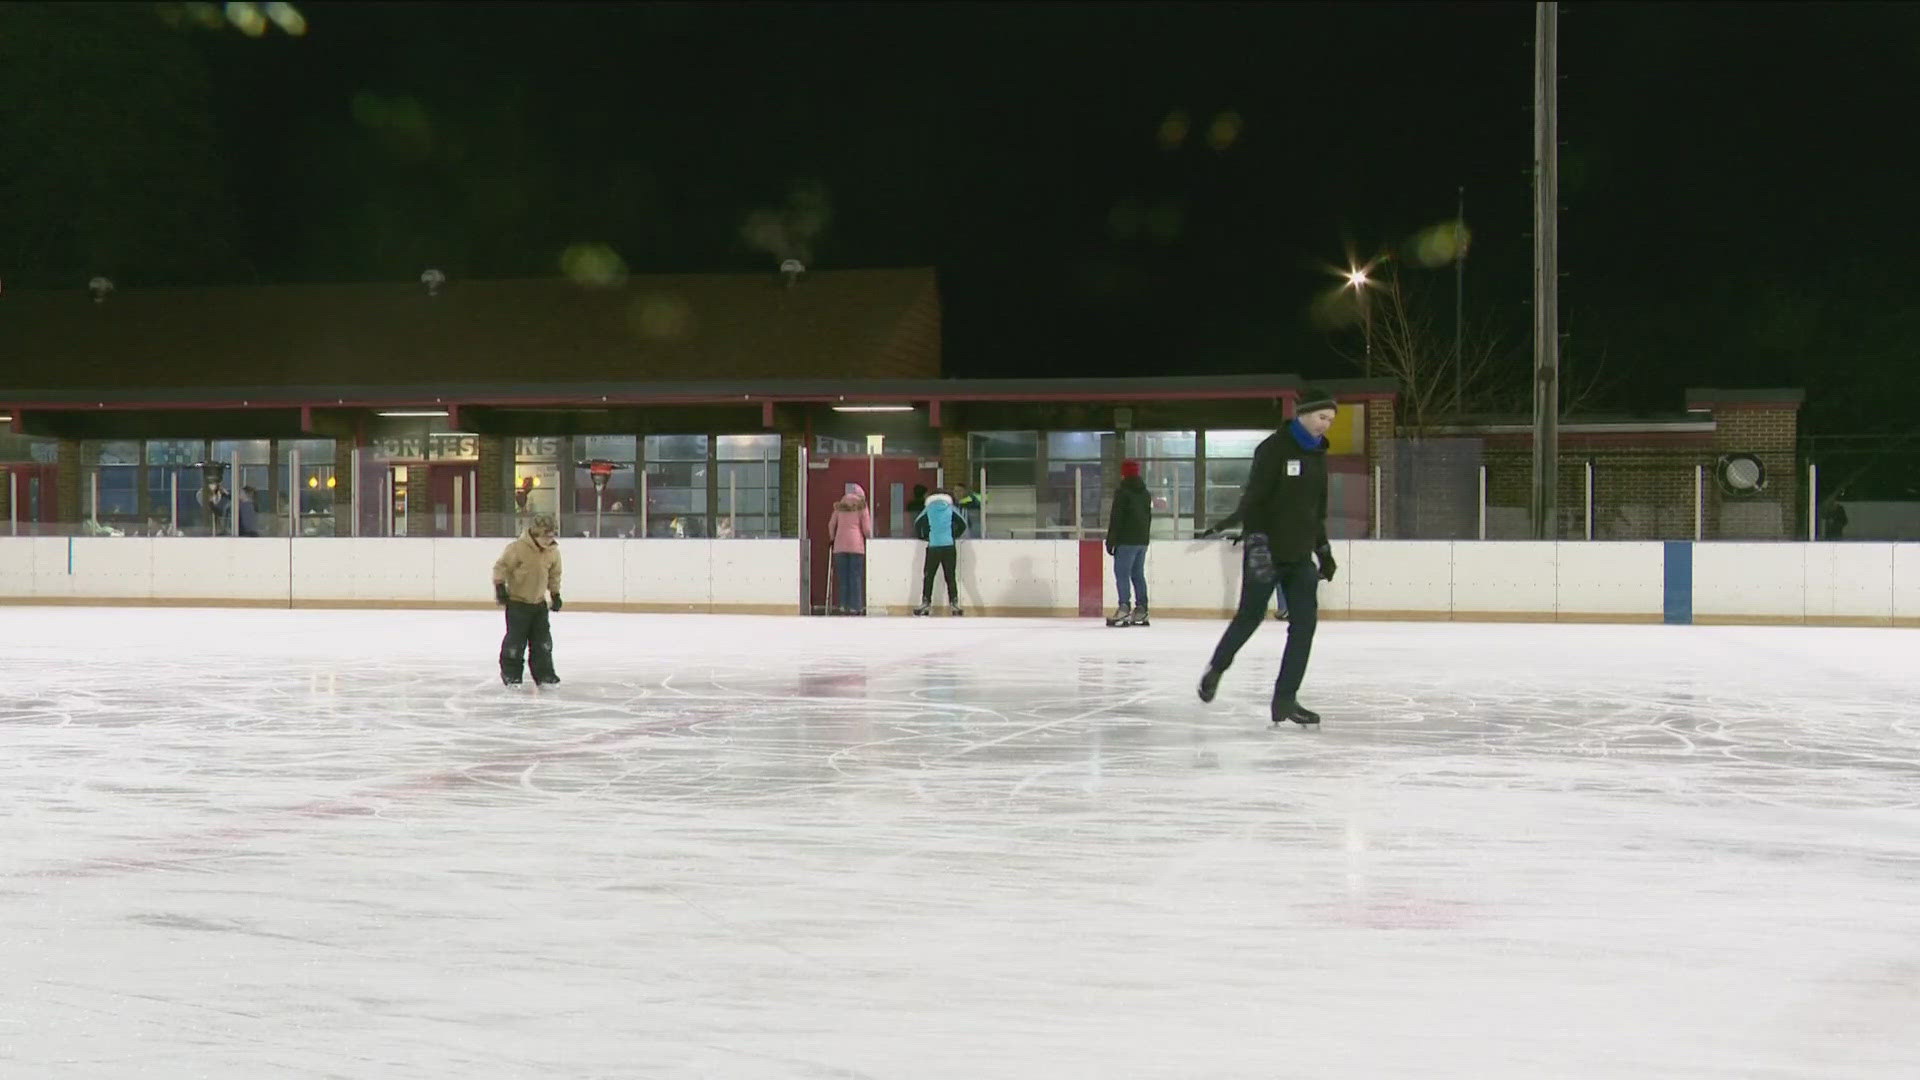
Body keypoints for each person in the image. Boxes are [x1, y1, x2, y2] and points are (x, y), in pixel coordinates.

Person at [1196, 387, 1340, 727]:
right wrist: (1253, 539)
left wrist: (1323, 549)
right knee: (1251, 615)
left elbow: (1316, 509)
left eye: (1331, 420)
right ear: (1304, 414)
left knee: (1304, 626)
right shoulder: (1273, 449)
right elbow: (1255, 498)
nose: (1326, 426)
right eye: (1322, 417)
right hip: (1268, 548)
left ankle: (1285, 699)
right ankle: (1216, 668)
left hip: (1300, 554)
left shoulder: (1319, 455)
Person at [492, 513, 563, 687]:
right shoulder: (517, 548)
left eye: (552, 536)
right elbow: (501, 567)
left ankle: (545, 674)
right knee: (515, 642)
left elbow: (554, 574)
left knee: (543, 643)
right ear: (536, 534)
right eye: (546, 536)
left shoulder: (552, 552)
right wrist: (500, 587)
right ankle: (511, 674)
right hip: (518, 604)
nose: (549, 540)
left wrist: (555, 594)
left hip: (538, 605)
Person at [1105, 459, 1153, 626]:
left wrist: (1110, 540)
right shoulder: (1145, 493)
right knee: (1138, 574)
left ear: (1124, 473)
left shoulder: (1123, 492)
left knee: (1122, 574)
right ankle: (1141, 610)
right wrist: (1145, 538)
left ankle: (1124, 608)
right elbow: (1148, 517)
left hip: (1126, 540)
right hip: (1142, 540)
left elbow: (1116, 518)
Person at [913, 488, 968, 616]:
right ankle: (954, 603)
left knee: (929, 576)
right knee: (950, 576)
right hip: (949, 545)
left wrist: (925, 536)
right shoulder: (950, 508)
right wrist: (954, 535)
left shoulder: (929, 508)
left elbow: (917, 524)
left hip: (933, 546)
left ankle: (926, 603)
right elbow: (963, 524)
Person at [826, 484, 873, 615]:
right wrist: (869, 538)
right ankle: (855, 606)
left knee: (843, 578)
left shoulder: (840, 506)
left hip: (839, 545)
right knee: (855, 577)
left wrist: (832, 538)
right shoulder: (862, 507)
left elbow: (831, 524)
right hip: (856, 546)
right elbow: (867, 528)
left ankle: (842, 605)